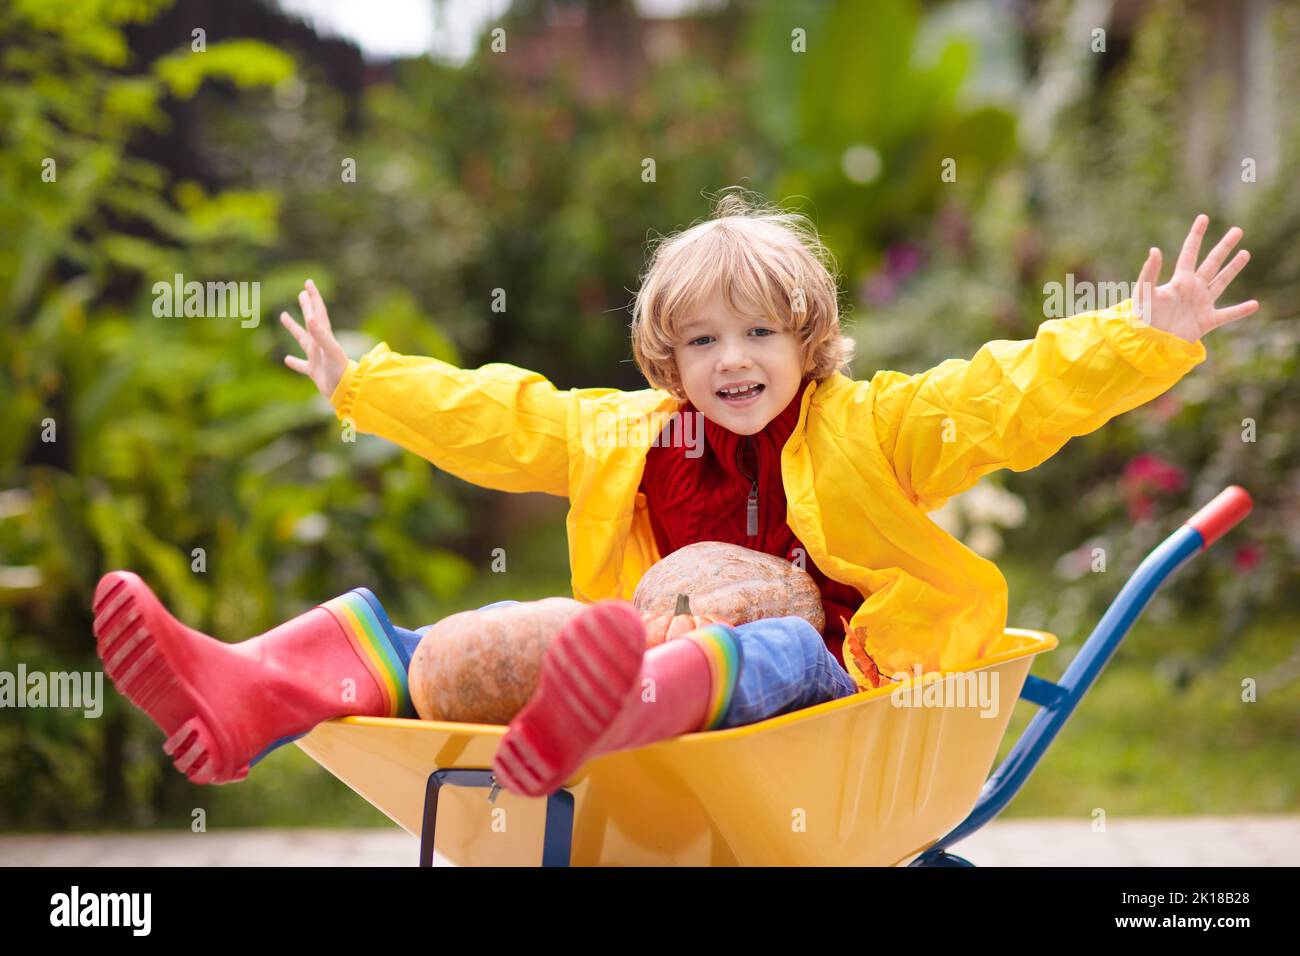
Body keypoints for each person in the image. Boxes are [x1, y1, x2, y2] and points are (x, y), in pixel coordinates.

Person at [92, 192, 1256, 795]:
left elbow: (1010, 395)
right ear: (666, 358)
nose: (733, 358)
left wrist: (1138, 341)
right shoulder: (630, 437)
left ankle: (626, 704)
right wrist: (368, 384)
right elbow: (503, 415)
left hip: (835, 689)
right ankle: (260, 685)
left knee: (778, 651)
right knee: (464, 639)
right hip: (641, 658)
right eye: (702, 338)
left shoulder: (879, 424)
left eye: (761, 330)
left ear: (810, 340)